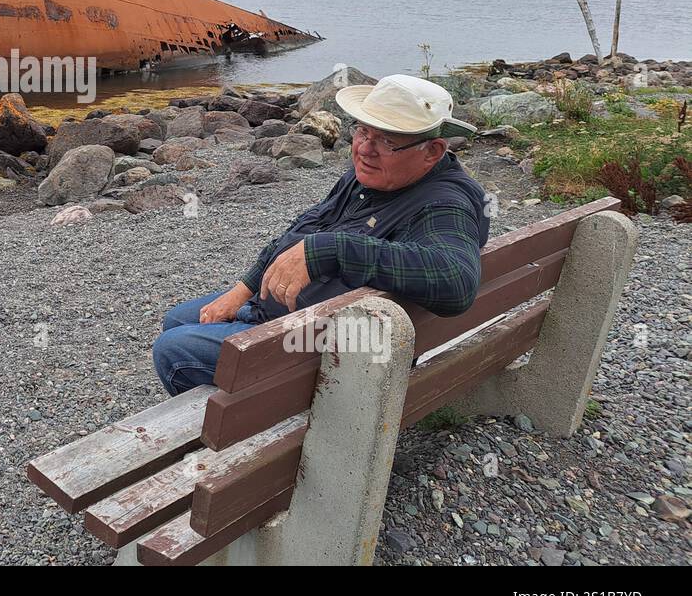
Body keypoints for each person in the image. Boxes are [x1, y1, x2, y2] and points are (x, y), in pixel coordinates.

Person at [152, 74, 487, 396]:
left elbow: (455, 280)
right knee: (177, 319)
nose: (365, 150)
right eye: (363, 132)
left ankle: (257, 425)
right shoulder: (372, 177)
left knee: (173, 350)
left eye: (388, 140)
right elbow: (307, 226)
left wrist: (332, 250)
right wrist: (243, 290)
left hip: (328, 353)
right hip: (293, 315)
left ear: (432, 151)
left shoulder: (444, 203)